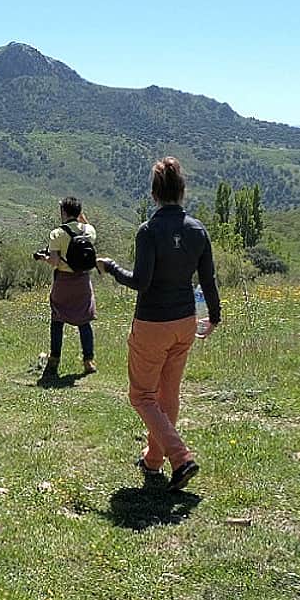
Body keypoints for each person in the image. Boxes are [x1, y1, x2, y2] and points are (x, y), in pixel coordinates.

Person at [97, 157, 219, 493]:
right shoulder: (198, 230)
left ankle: (180, 457)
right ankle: (153, 459)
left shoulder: (148, 231)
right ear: (182, 191)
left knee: (141, 396)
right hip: (185, 322)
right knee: (168, 393)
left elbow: (141, 282)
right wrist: (216, 317)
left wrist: (111, 267)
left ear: (154, 194)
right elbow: (207, 279)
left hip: (153, 323)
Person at [36, 196, 98, 377]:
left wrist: (42, 257)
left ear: (64, 212)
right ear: (79, 213)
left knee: (57, 319)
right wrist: (81, 217)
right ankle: (88, 361)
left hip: (63, 280)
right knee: (84, 320)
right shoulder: (89, 231)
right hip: (83, 281)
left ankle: (54, 360)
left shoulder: (57, 234)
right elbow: (87, 226)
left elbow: (54, 262)